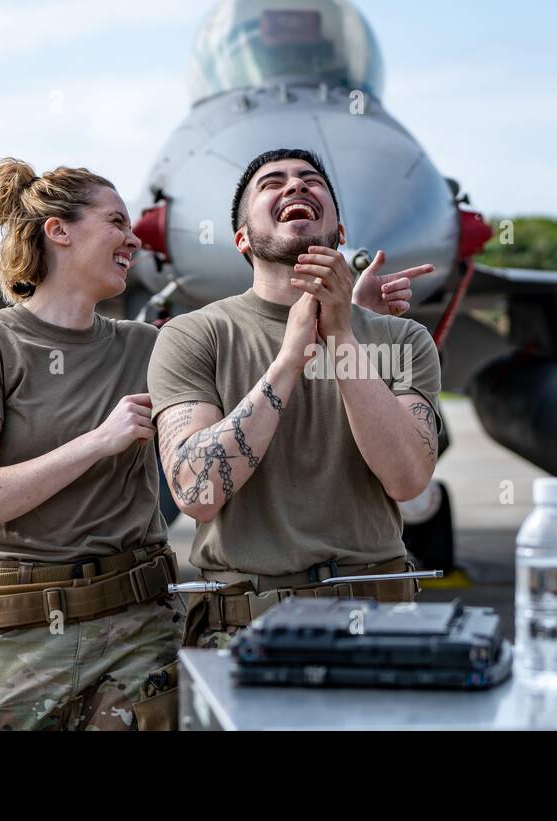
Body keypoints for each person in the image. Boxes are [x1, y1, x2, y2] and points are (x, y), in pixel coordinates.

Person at [147, 148, 442, 648]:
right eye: (272, 183)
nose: (296, 187)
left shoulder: (403, 339)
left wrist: (344, 336)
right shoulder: (193, 336)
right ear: (242, 239)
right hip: (242, 626)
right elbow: (196, 495)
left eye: (311, 180)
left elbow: (408, 478)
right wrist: (288, 360)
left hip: (376, 617)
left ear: (342, 233)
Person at [0, 158, 182, 730]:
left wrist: (357, 319)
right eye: (117, 221)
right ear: (59, 230)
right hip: (17, 629)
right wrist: (99, 441)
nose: (134, 237)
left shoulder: (147, 346)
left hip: (139, 626)